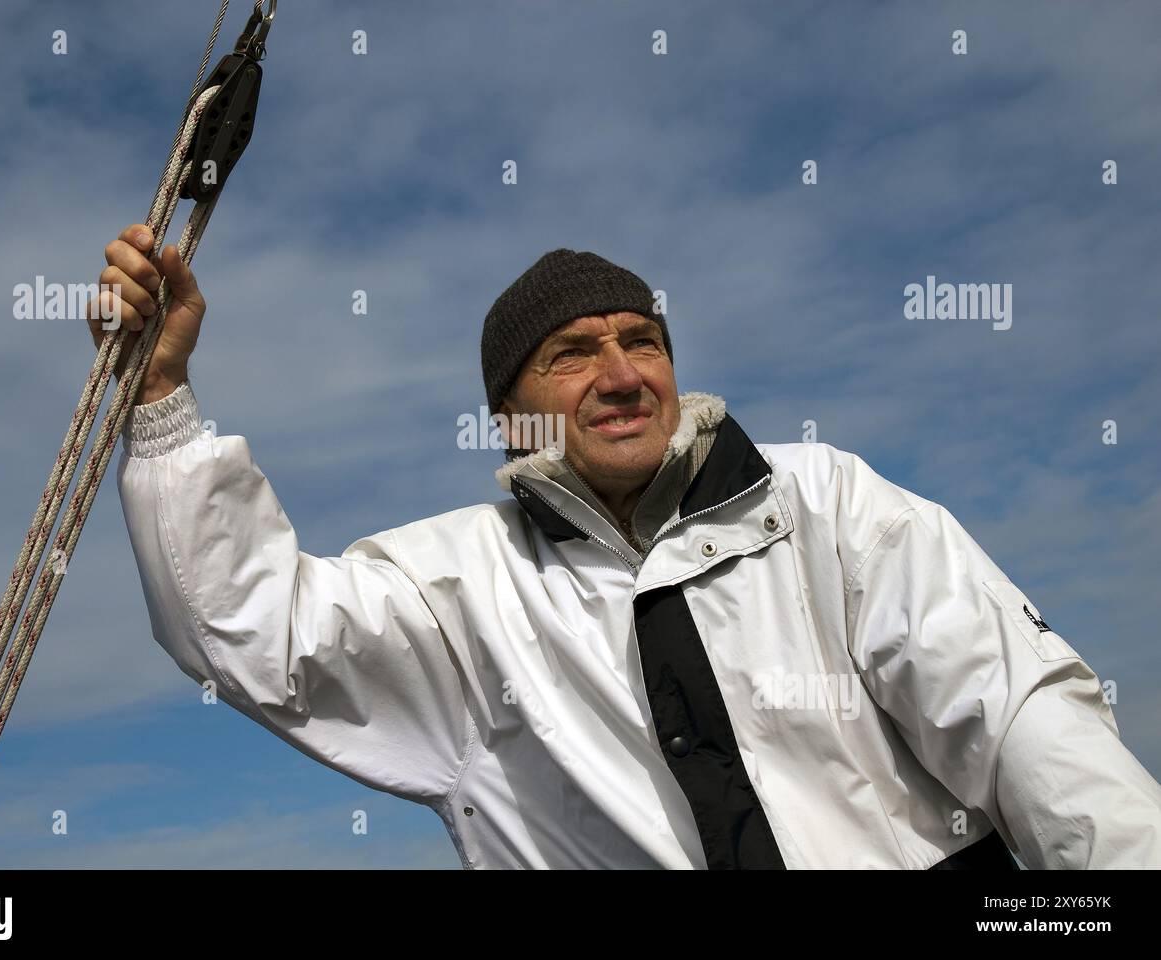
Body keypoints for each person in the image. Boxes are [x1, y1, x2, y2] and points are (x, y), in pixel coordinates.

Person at [90, 224, 1161, 868]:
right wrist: (165, 404)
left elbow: (1018, 715)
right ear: (508, 415)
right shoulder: (459, 593)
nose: (620, 372)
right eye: (572, 353)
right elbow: (248, 631)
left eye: (640, 340)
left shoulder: (827, 503)